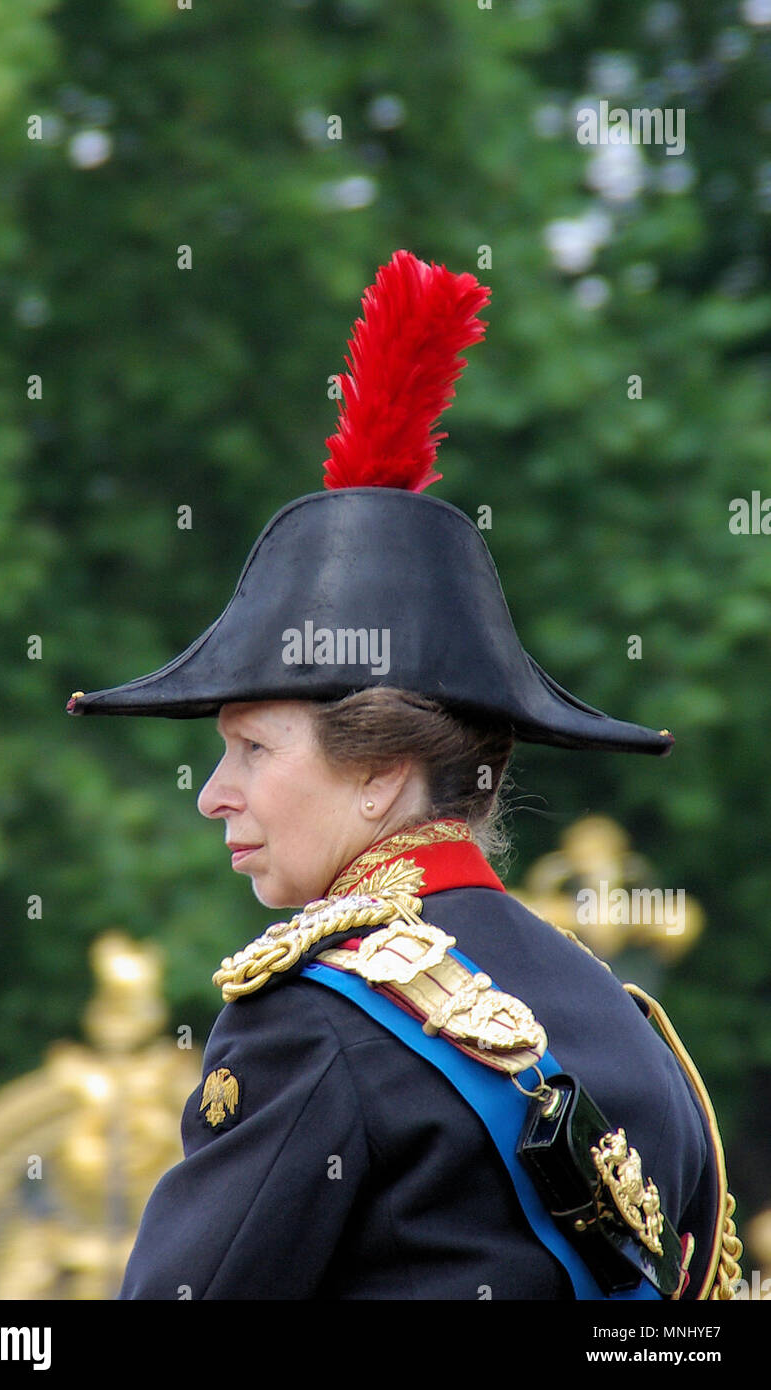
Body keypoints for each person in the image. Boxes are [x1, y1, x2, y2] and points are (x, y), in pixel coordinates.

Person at [66, 251, 739, 1301]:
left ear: (380, 771)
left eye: (251, 747)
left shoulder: (317, 1017)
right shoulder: (628, 1025)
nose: (213, 792)